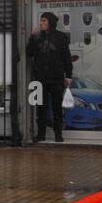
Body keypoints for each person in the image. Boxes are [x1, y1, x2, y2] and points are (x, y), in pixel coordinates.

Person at [25, 11, 73, 142]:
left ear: (51, 22)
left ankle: (58, 134)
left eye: (44, 21)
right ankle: (41, 134)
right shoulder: (37, 37)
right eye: (41, 20)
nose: (41, 23)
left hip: (56, 77)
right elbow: (29, 53)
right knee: (40, 107)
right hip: (40, 78)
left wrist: (68, 76)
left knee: (57, 107)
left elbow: (66, 58)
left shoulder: (61, 37)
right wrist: (32, 37)